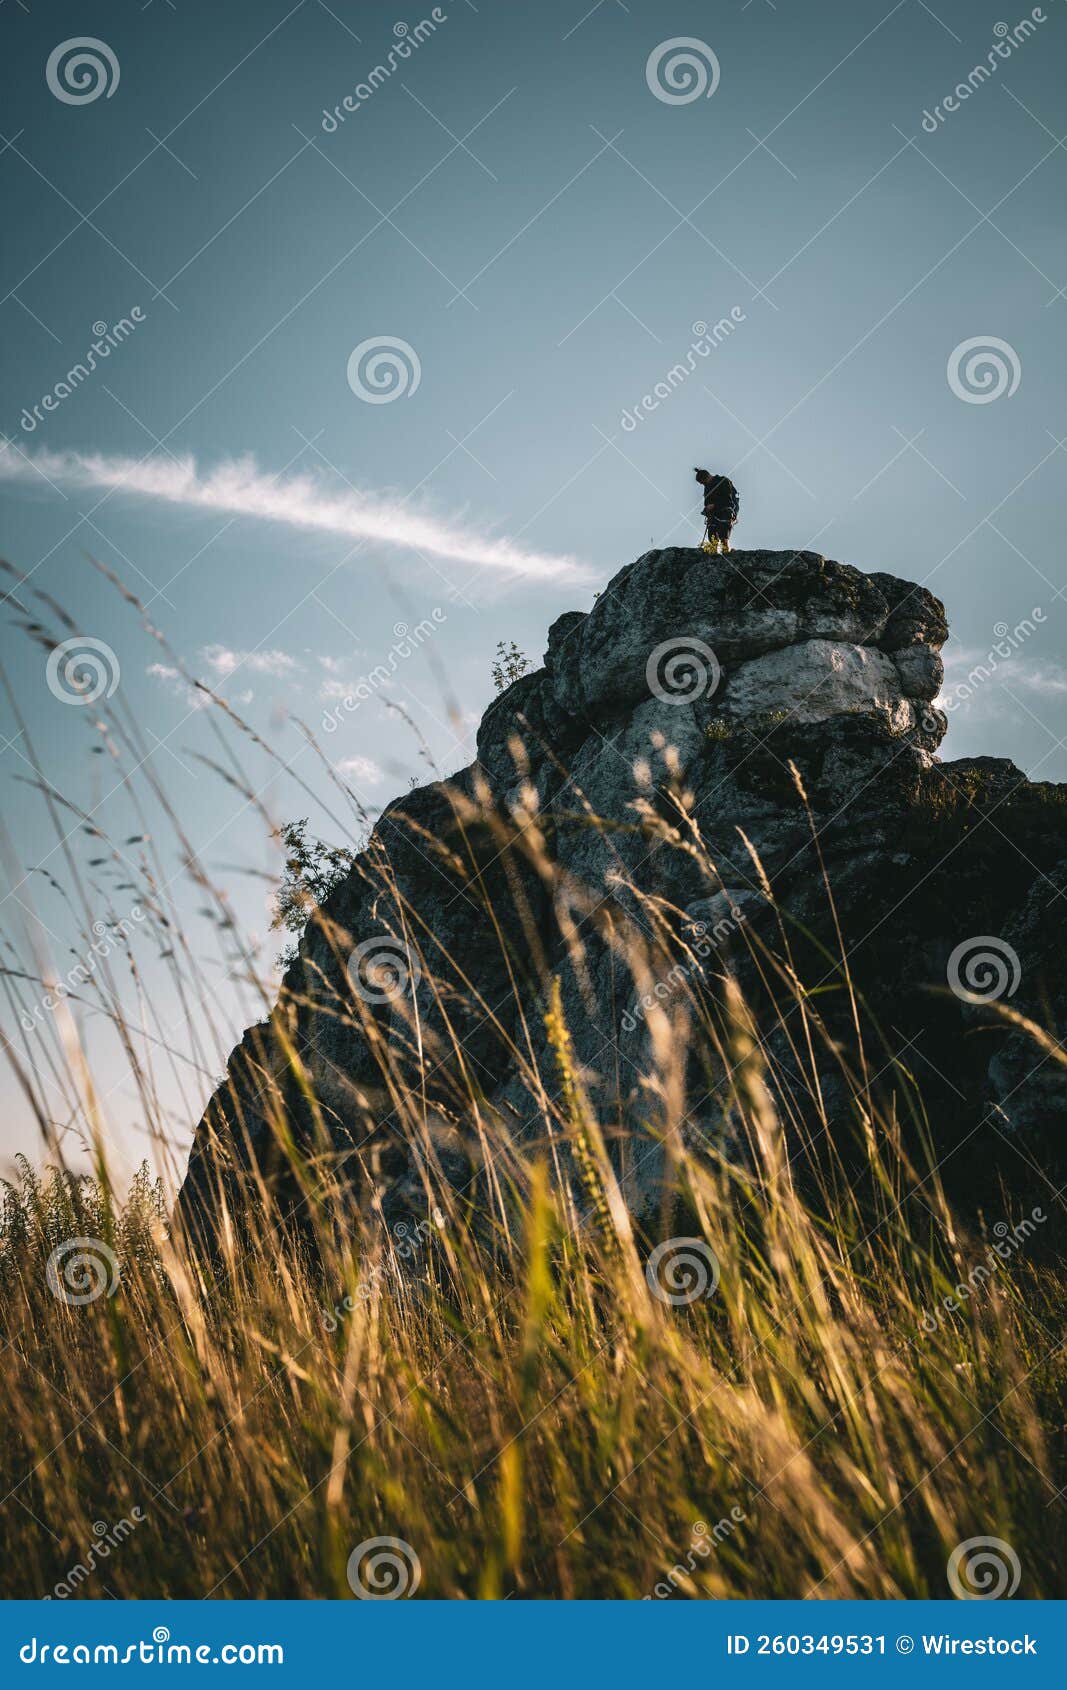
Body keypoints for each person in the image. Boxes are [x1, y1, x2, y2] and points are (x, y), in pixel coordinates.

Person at [694, 469, 739, 554]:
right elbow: (706, 502)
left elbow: (728, 501)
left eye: (703, 482)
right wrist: (706, 510)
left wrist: (714, 505)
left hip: (727, 510)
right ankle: (713, 550)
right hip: (714, 513)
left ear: (707, 477)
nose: (703, 485)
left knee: (723, 529)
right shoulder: (707, 487)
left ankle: (726, 550)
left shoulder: (723, 481)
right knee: (712, 530)